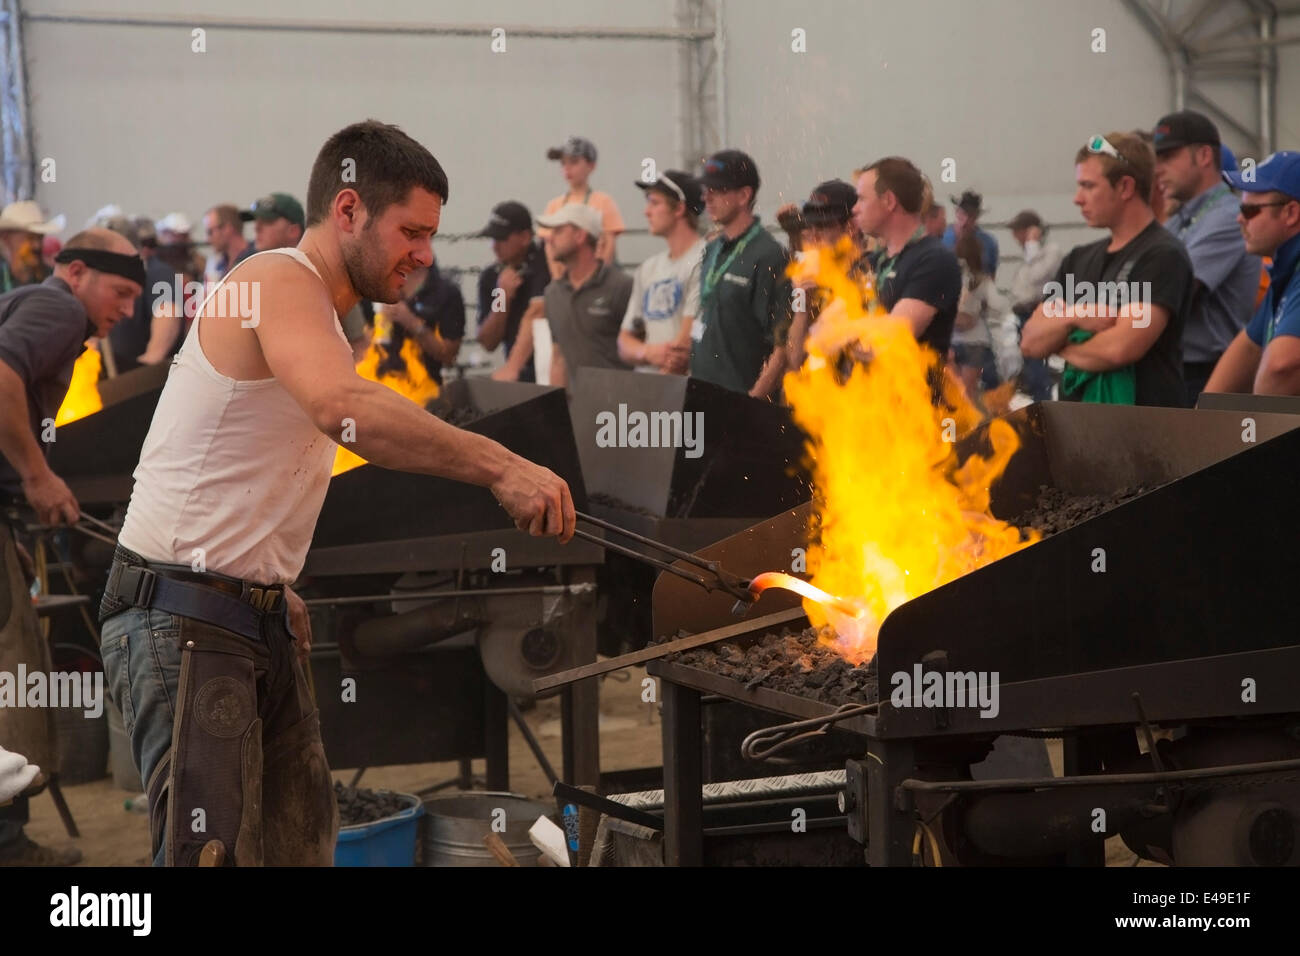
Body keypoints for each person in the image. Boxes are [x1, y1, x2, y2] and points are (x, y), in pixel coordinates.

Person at [99, 120, 575, 868]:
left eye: (431, 235)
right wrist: (499, 466)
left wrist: (263, 578)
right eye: (411, 230)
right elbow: (339, 408)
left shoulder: (319, 307)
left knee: (297, 846)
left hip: (244, 613)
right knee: (210, 857)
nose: (424, 253)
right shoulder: (277, 278)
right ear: (348, 209)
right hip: (185, 625)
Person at [0, 228, 143, 866]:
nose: (128, 309)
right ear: (77, 271)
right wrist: (36, 474)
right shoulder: (59, 307)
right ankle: (7, 842)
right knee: (8, 671)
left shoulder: (35, 300)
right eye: (120, 292)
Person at [1021, 133, 1193, 407]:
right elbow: (1031, 341)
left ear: (1125, 187)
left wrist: (1060, 344)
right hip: (1078, 432)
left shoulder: (1163, 256)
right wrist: (1076, 317)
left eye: (1088, 186)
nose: (1077, 199)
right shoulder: (1077, 259)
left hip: (1145, 433)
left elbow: (1120, 349)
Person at [1152, 111, 1262, 406]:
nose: (1158, 169)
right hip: (1178, 370)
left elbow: (1171, 291)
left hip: (1205, 373)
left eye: (1168, 157)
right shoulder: (1182, 219)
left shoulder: (1228, 217)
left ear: (1203, 156)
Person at [690, 149, 791, 398]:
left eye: (718, 190)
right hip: (701, 397)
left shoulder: (769, 255)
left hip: (740, 404)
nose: (708, 199)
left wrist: (751, 404)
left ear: (744, 195)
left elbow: (782, 347)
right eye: (706, 190)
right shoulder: (713, 249)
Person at [1204, 152, 1300, 396]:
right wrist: (1201, 416)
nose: (1239, 218)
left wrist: (1257, 427)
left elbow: (1282, 366)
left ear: (1291, 213)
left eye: (1249, 210)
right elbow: (1248, 348)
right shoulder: (1287, 270)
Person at [853, 157, 963, 358]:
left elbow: (889, 340)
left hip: (912, 388)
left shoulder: (935, 260)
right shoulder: (870, 262)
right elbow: (819, 333)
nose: (854, 209)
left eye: (861, 199)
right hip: (861, 388)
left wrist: (842, 333)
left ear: (889, 201)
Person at [617, 170, 704, 375]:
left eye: (654, 203)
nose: (646, 212)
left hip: (682, 392)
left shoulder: (704, 258)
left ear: (679, 209)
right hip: (650, 389)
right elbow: (624, 342)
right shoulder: (647, 268)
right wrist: (646, 352)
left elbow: (683, 349)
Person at [538, 203, 633, 388]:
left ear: (580, 235)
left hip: (624, 410)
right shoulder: (552, 294)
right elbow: (558, 358)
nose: (550, 239)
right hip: (580, 411)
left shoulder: (622, 286)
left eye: (558, 231)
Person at [785, 179, 863, 370]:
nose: (813, 235)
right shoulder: (813, 275)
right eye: (810, 226)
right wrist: (802, 305)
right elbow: (793, 360)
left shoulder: (869, 275)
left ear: (851, 227)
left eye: (822, 226)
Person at [477, 200, 549, 382]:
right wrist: (503, 297)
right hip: (518, 379)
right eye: (493, 238)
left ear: (525, 237)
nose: (495, 246)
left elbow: (538, 315)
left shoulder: (547, 265)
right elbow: (488, 342)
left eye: (502, 239)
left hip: (552, 374)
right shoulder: (491, 277)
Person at [541, 136, 625, 277]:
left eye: (574, 162)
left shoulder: (603, 201)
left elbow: (609, 244)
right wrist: (559, 280)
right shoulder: (554, 205)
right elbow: (550, 247)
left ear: (591, 166)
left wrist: (598, 279)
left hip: (598, 278)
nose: (567, 168)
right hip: (565, 280)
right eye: (563, 163)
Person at [1006, 210, 1065, 401]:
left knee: (1037, 367)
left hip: (1037, 313)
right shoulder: (1029, 256)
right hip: (1023, 314)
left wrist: (1032, 244)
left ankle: (1043, 405)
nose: (1015, 237)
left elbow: (1036, 277)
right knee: (1030, 367)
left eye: (1018, 231)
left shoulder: (1050, 251)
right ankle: (1038, 402)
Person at [383, 250, 464, 382]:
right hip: (382, 384)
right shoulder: (377, 284)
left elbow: (449, 356)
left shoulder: (446, 293)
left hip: (425, 386)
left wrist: (414, 324)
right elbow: (360, 347)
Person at [951, 233, 1007, 397]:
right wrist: (983, 308)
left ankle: (951, 423)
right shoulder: (983, 280)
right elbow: (999, 306)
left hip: (952, 340)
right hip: (976, 341)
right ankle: (968, 423)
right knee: (967, 395)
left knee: (951, 395)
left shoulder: (949, 277)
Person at [0, 202, 63, 292]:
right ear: (5, 237)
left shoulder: (54, 280)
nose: (37, 246)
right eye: (30, 238)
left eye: (40, 238)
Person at [943, 190, 998, 276]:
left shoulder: (988, 242)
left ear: (976, 217)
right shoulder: (942, 238)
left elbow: (991, 275)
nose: (966, 220)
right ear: (956, 212)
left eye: (971, 216)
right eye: (963, 214)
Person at [203, 204, 254, 284]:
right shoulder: (218, 264)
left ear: (227, 228)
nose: (207, 239)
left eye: (210, 232)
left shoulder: (255, 259)